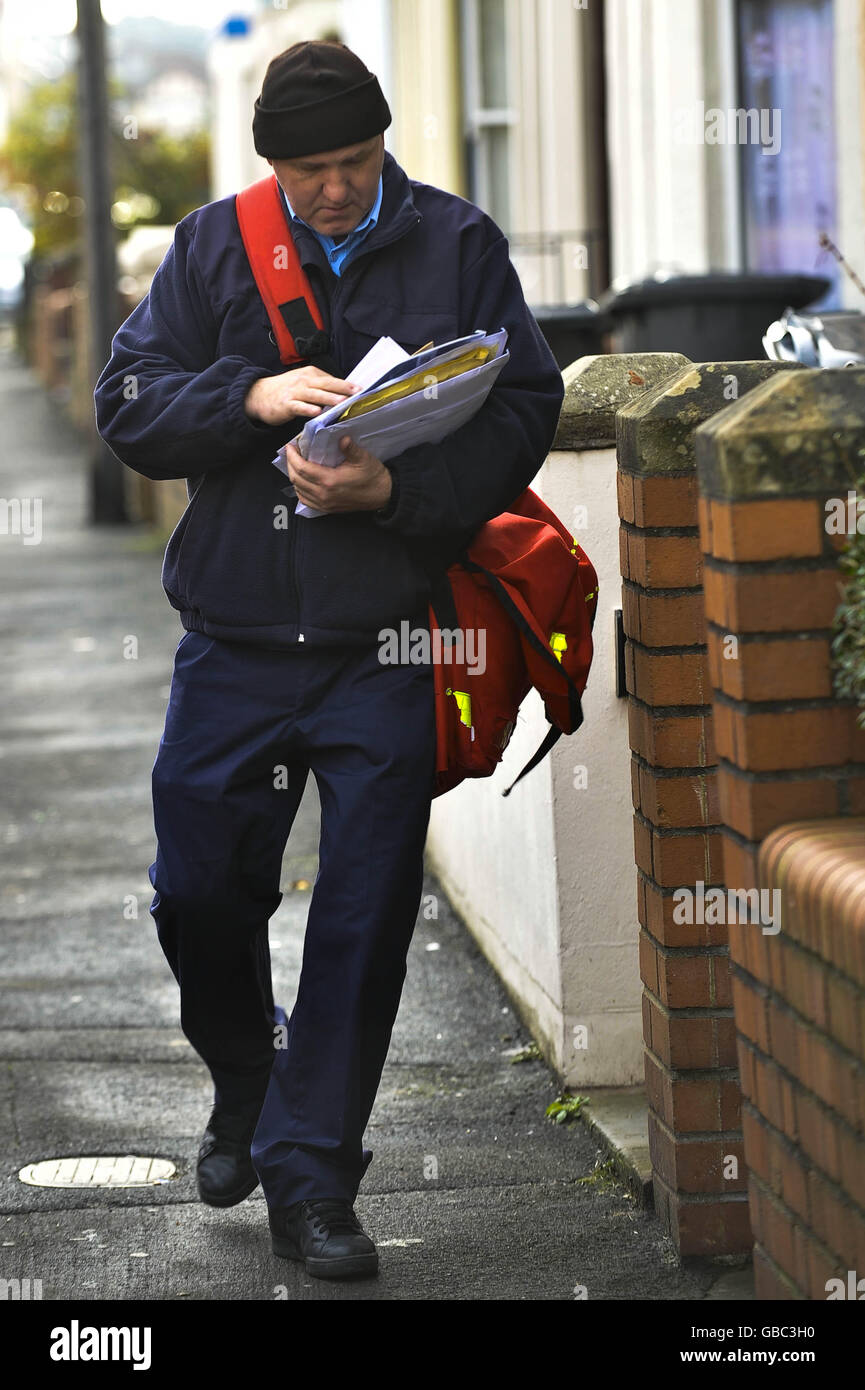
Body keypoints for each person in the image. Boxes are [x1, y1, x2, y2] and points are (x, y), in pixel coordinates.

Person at [94, 38, 564, 1281]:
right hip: (235, 641)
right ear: (274, 164)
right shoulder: (211, 245)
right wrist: (246, 398)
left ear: (382, 146)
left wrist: (395, 489)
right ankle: (247, 1068)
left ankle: (313, 1180)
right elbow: (129, 403)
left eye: (354, 162)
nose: (337, 190)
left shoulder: (458, 243)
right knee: (198, 889)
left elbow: (524, 411)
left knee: (362, 915)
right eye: (310, 170)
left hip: (384, 645)